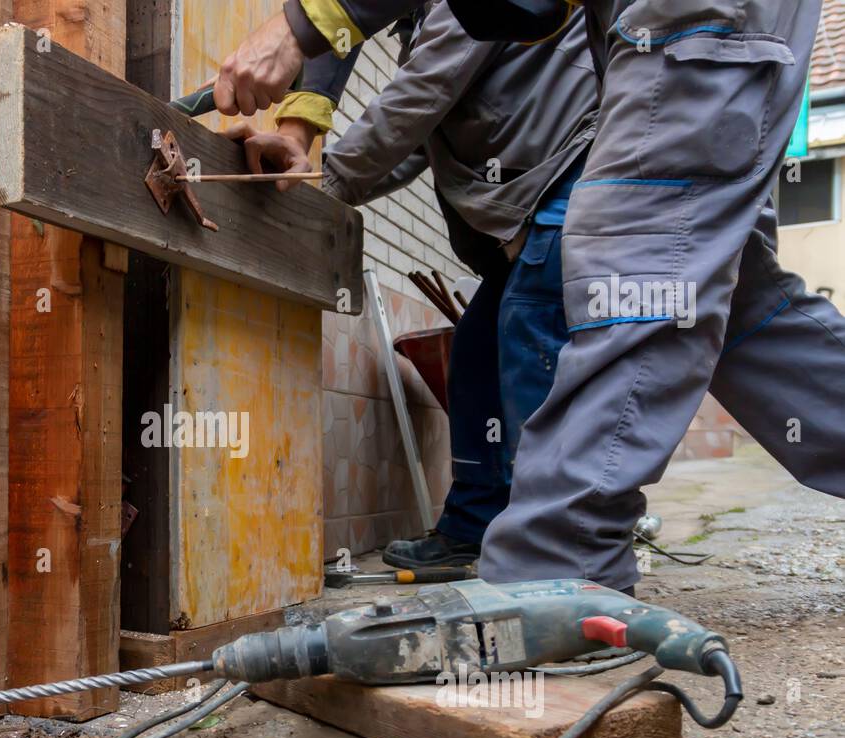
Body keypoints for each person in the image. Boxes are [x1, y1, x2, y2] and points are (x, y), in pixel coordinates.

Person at [217, 0, 845, 594]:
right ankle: (500, 534)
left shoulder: (447, 21)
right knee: (741, 304)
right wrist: (316, 158)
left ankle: (557, 577)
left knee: (615, 274)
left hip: (574, 165)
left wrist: (298, 37)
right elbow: (422, 121)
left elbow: (424, 90)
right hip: (664, 65)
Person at [227, 0, 598, 569]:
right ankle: (474, 528)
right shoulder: (420, 24)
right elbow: (417, 136)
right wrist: (324, 178)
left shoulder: (455, 13)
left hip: (568, 186)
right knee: (475, 356)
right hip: (526, 207)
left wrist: (324, 182)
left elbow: (420, 96)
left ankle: (555, 556)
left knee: (532, 345)